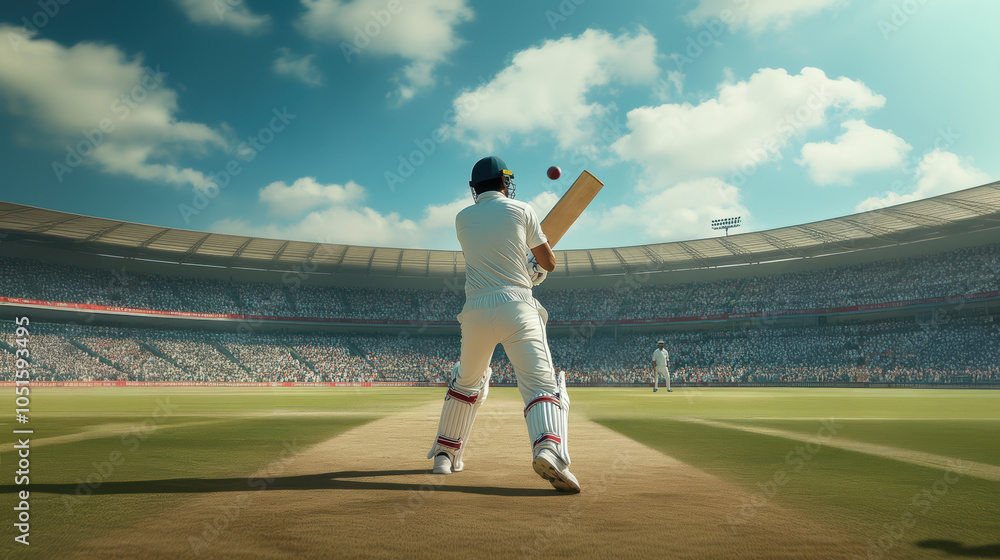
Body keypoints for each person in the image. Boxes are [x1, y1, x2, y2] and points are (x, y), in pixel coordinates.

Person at [426, 156, 580, 492]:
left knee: (467, 382)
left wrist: (522, 264)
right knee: (540, 385)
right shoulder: (522, 209)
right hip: (517, 304)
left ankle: (444, 456)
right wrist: (532, 269)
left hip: (476, 309)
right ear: (503, 182)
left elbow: (493, 251)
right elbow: (548, 263)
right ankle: (549, 449)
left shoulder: (461, 218)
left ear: (474, 188)